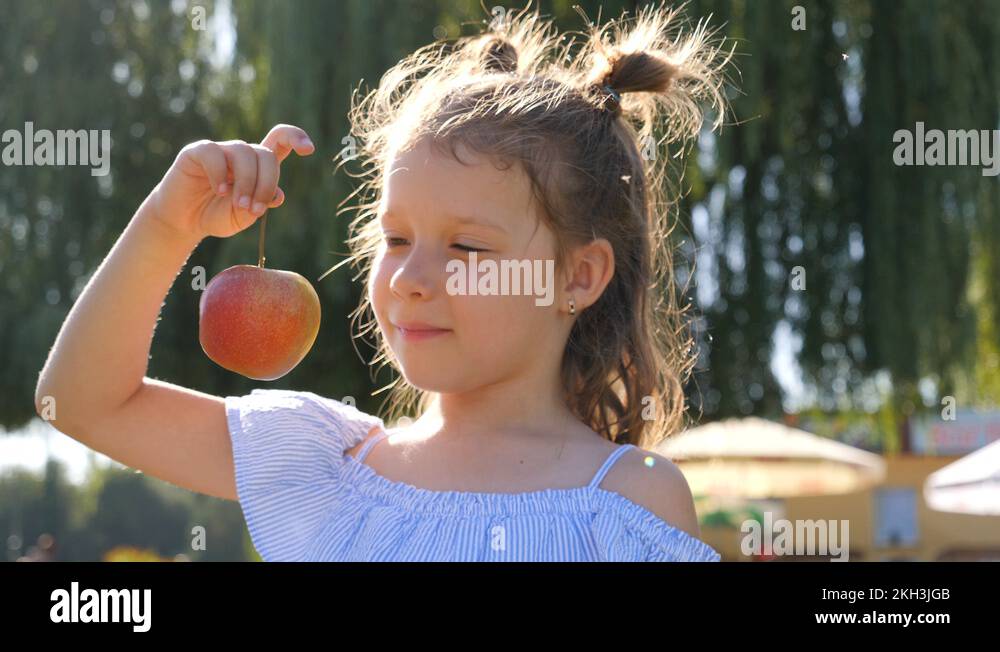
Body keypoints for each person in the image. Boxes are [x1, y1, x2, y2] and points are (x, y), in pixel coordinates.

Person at [35, 3, 732, 561]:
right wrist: (167, 222)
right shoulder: (325, 462)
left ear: (578, 276)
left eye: (464, 246)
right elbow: (82, 402)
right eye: (396, 239)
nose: (411, 278)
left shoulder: (630, 502)